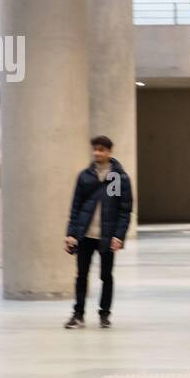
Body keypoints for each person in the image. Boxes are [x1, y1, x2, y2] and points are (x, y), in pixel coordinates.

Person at [64, 135, 133, 329]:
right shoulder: (85, 176)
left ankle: (104, 314)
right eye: (95, 149)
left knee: (106, 276)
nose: (97, 153)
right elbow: (75, 207)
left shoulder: (116, 178)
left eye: (101, 149)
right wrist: (71, 233)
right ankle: (78, 315)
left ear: (109, 152)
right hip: (85, 236)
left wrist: (119, 236)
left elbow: (124, 210)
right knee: (81, 275)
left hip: (107, 237)